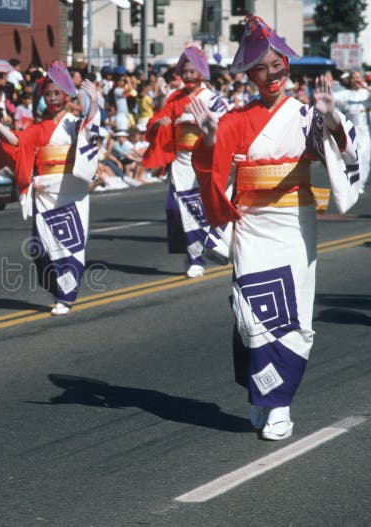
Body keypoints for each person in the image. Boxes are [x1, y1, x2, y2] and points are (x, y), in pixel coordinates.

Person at [191, 15, 360, 441]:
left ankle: (280, 404)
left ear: (287, 63)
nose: (272, 74)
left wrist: (332, 119)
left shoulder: (305, 114)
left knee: (292, 317)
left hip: (293, 226)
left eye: (277, 64)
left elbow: (343, 148)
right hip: (251, 227)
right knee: (252, 315)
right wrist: (210, 139)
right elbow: (208, 169)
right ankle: (263, 393)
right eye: (261, 68)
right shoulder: (234, 119)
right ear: (249, 74)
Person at [0, 61, 100, 316]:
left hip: (70, 191)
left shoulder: (74, 123)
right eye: (47, 93)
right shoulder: (40, 127)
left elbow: (92, 133)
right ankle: (58, 289)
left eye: (56, 92)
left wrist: (92, 103)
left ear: (67, 94)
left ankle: (66, 295)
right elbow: (17, 140)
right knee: (41, 245)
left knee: (69, 243)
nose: (51, 97)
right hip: (46, 192)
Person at [142, 45, 229, 278]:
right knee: (176, 209)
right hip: (181, 161)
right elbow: (159, 119)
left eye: (193, 71)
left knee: (201, 211)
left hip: (204, 159)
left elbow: (225, 125)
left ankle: (198, 256)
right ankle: (193, 254)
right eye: (186, 71)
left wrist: (204, 126)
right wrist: (159, 121)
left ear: (201, 71)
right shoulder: (175, 97)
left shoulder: (211, 97)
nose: (189, 75)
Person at [333, 70, 371, 194]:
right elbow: (333, 99)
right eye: (354, 78)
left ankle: (360, 184)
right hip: (351, 130)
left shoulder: (366, 93)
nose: (356, 80)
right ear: (350, 80)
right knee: (351, 157)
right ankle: (350, 183)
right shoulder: (346, 94)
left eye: (358, 77)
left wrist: (365, 85)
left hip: (365, 130)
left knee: (364, 156)